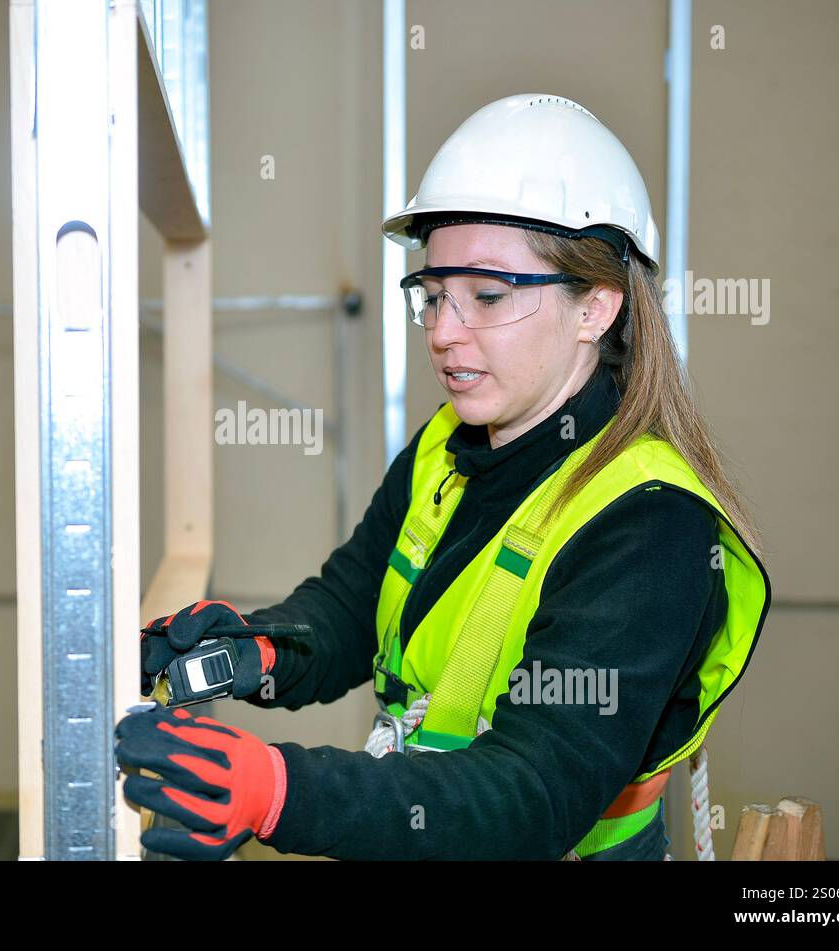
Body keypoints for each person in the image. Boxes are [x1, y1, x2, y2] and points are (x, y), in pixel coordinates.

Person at [115, 93, 771, 861]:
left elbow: (531, 794)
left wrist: (278, 789)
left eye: (487, 297)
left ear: (596, 305)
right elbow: (352, 608)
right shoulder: (448, 442)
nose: (443, 332)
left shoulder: (651, 525)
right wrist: (257, 650)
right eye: (432, 297)